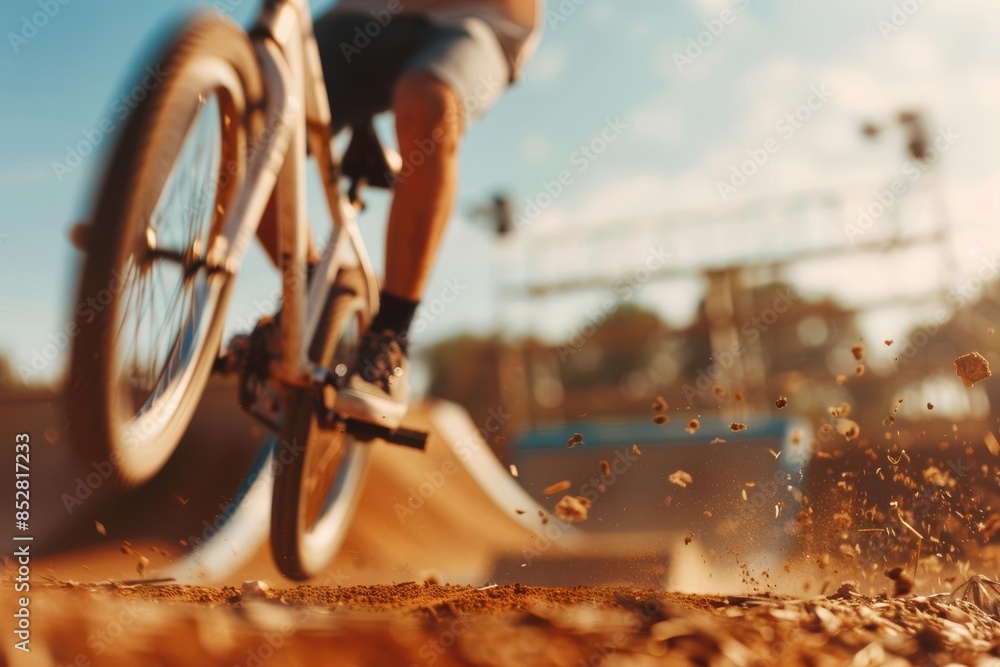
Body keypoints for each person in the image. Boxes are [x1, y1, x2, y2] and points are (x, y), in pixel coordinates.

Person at [311, 0, 543, 429]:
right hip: (361, 17)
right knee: (261, 89)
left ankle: (389, 337)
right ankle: (307, 289)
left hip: (478, 19)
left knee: (427, 100)